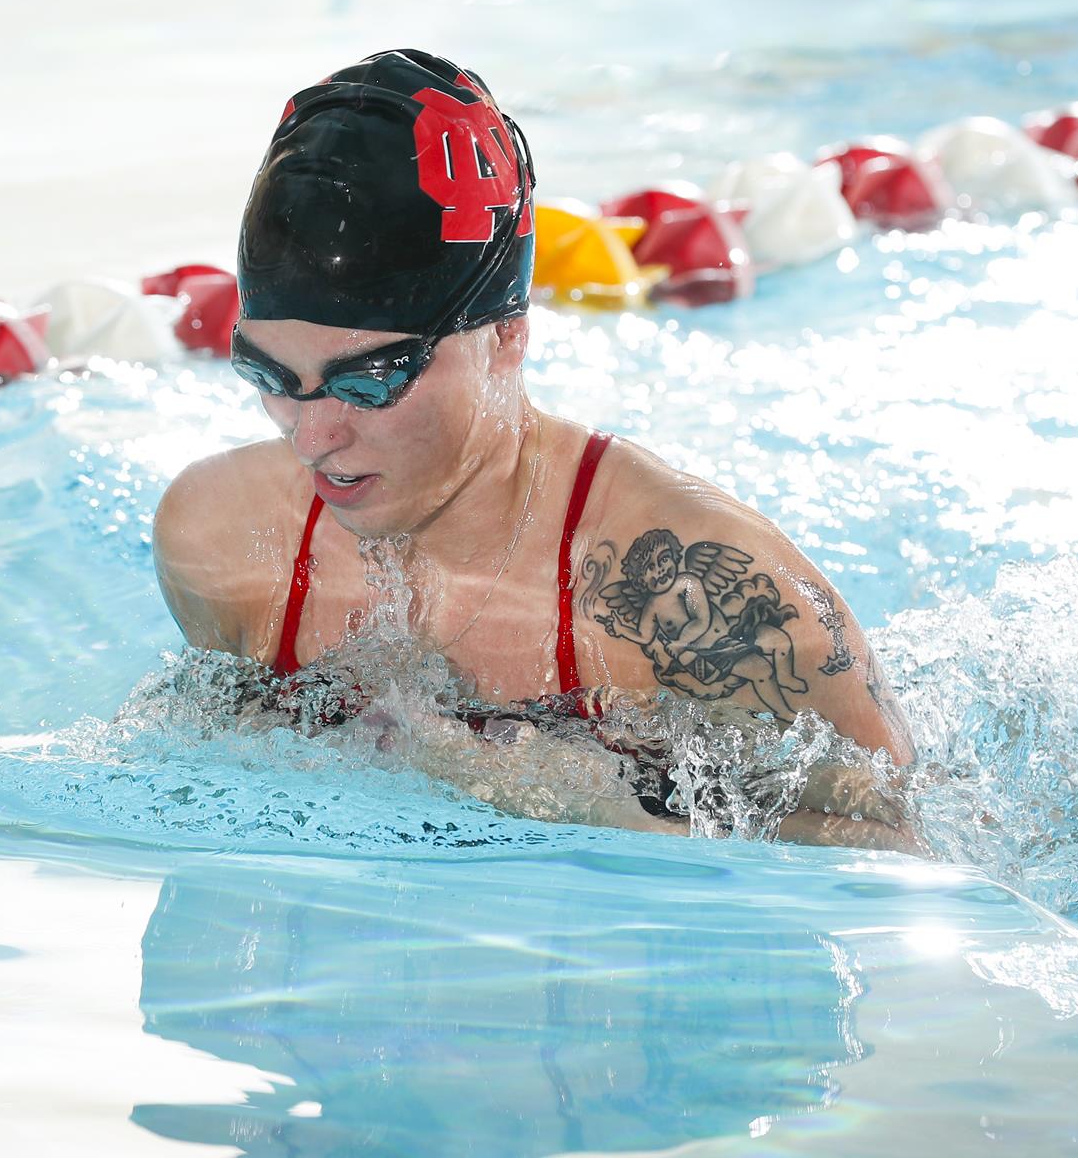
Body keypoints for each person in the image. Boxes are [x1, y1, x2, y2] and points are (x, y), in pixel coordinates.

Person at [153, 49, 917, 850]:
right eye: (270, 375)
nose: (311, 438)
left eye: (372, 382)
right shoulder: (222, 540)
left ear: (507, 337)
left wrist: (614, 818)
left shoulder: (690, 586)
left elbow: (911, 852)